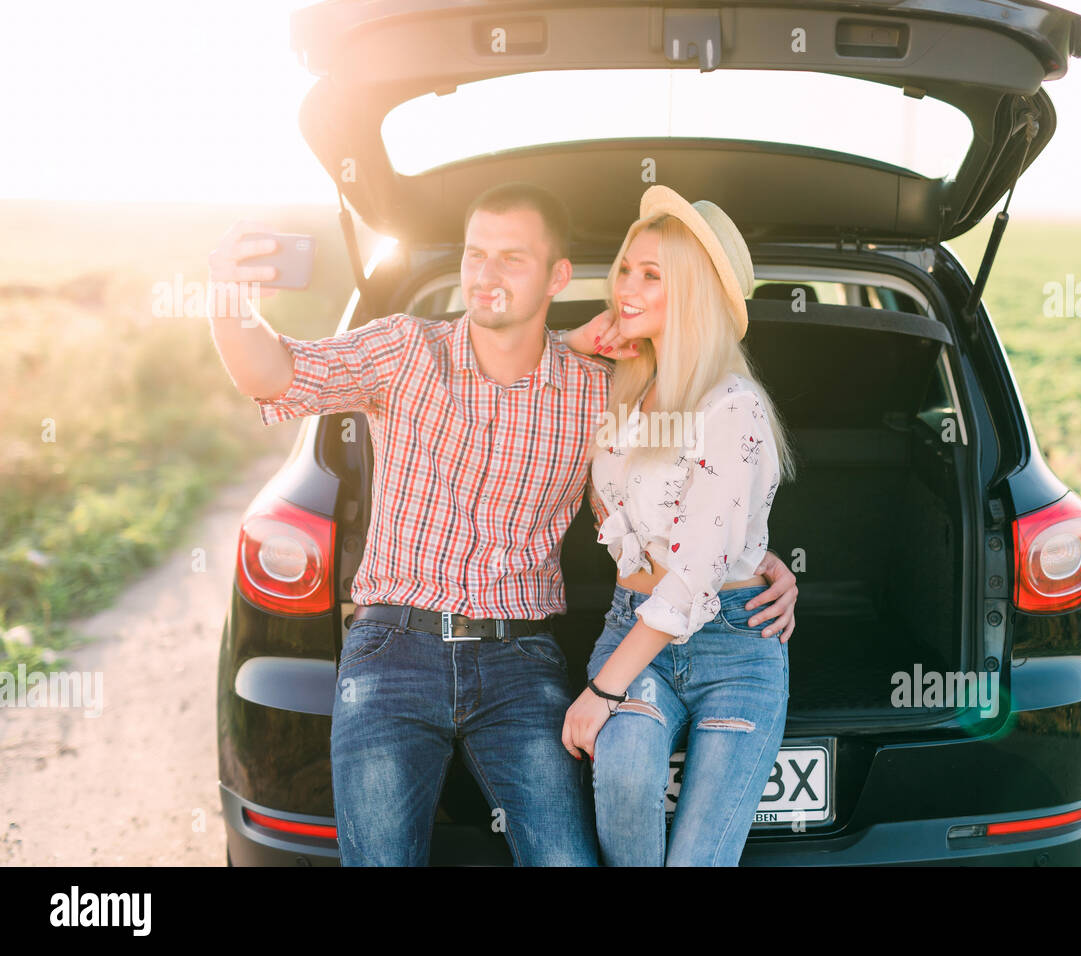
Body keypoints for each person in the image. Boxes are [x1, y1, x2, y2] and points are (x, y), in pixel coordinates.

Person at [205, 181, 798, 866]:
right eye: (476, 253)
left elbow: (698, 489)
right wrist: (226, 294)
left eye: (511, 258)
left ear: (557, 277)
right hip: (393, 651)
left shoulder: (593, 386)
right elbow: (273, 374)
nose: (486, 274)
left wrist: (753, 565)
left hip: (518, 661)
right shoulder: (403, 350)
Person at [560, 185, 796, 866]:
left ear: (690, 294)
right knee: (627, 776)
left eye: (651, 275)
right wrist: (577, 341)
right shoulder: (619, 386)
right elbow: (508, 371)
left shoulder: (732, 405)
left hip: (734, 642)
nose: (625, 286)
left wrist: (601, 692)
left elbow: (695, 573)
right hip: (634, 622)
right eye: (626, 269)